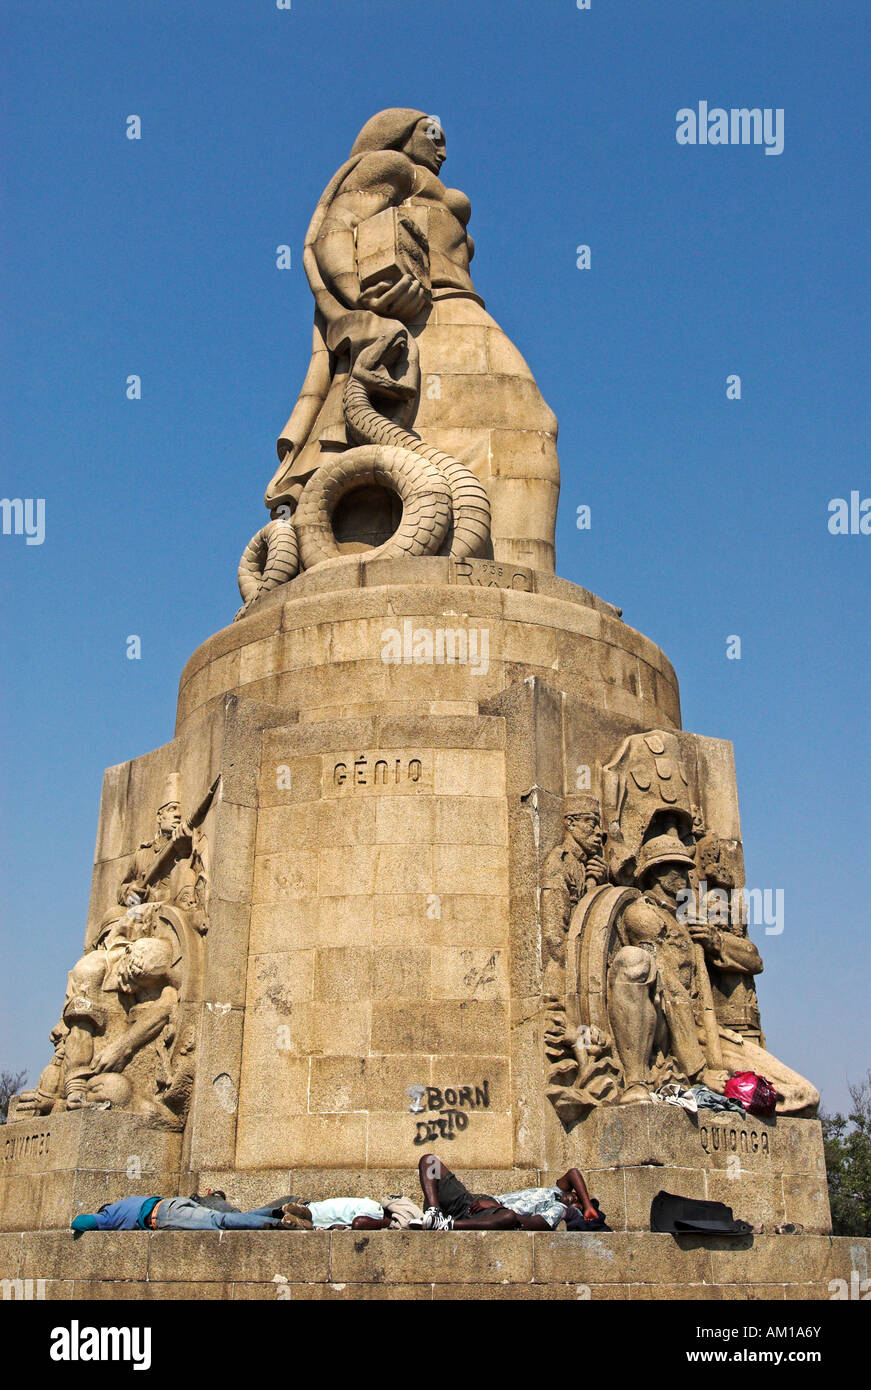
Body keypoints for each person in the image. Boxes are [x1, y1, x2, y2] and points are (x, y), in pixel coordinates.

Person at [416, 1153, 600, 1231]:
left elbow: (533, 1223)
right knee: (430, 1161)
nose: (573, 1196)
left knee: (509, 1218)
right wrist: (588, 1205)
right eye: (576, 1194)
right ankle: (434, 1212)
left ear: (574, 1209)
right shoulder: (554, 1192)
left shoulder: (558, 1209)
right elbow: (573, 1173)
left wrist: (497, 1205)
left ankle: (446, 1225)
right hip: (471, 1201)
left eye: (577, 1201)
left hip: (494, 1213)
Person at [69, 1195, 312, 1232]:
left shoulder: (109, 1215)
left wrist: (100, 1221)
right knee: (234, 1215)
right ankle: (279, 1210)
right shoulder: (127, 1201)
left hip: (163, 1216)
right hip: (173, 1202)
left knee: (220, 1222)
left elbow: (79, 1222)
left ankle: (278, 1224)